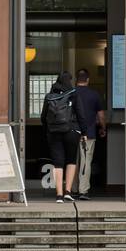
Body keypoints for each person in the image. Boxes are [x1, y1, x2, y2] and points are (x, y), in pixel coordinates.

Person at [40, 71, 80, 203]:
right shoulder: (73, 94)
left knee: (58, 162)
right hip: (71, 131)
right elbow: (81, 115)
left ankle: (59, 195)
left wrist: (48, 130)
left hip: (53, 132)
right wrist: (84, 132)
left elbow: (43, 117)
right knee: (71, 160)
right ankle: (68, 191)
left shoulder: (49, 96)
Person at [72, 69, 105, 200]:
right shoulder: (94, 95)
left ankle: (72, 188)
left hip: (72, 133)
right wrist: (103, 128)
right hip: (89, 134)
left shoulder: (71, 94)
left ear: (76, 80)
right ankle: (83, 191)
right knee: (86, 162)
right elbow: (101, 116)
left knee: (72, 161)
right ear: (88, 80)